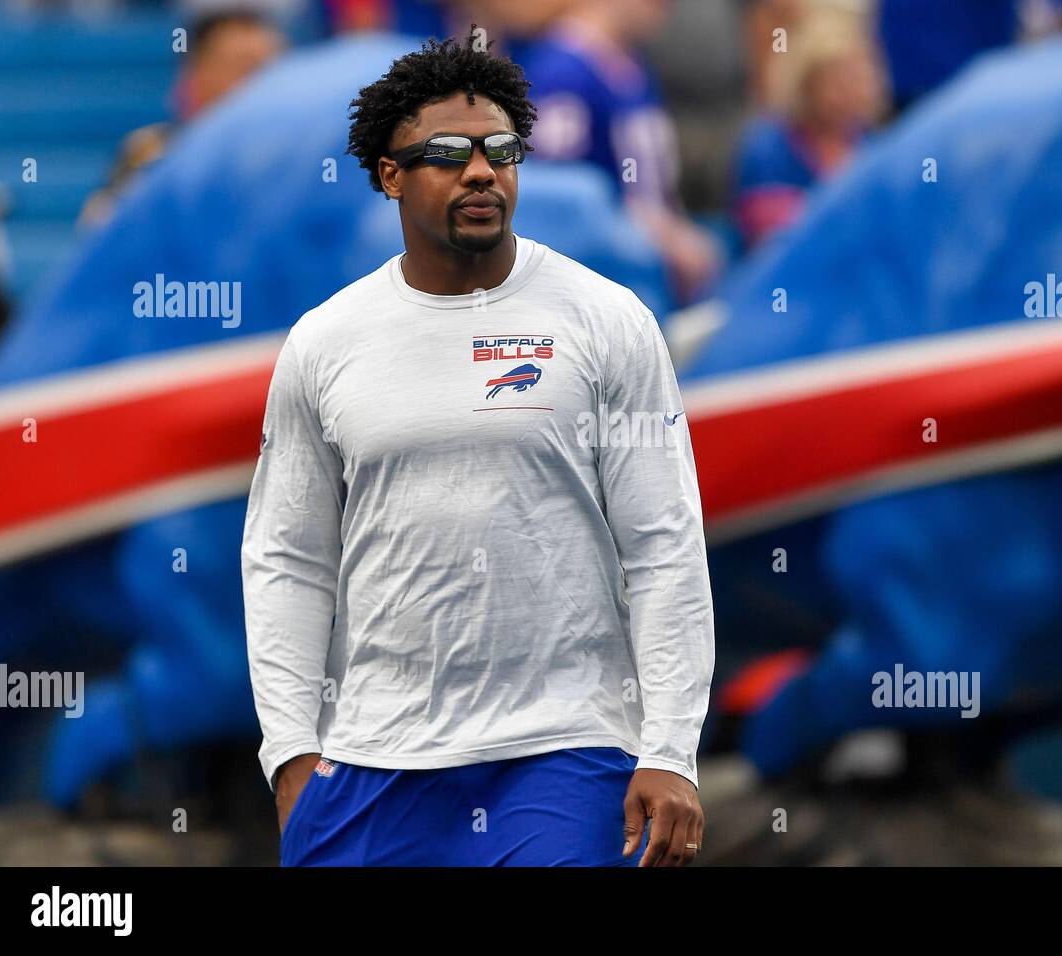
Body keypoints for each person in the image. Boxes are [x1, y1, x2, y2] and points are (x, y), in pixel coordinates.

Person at [241, 30, 715, 867]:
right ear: (390, 173)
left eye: (501, 150)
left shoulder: (609, 322)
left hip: (565, 750)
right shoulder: (325, 342)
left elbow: (665, 546)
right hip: (374, 758)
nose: (481, 172)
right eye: (447, 154)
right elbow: (287, 558)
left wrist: (669, 750)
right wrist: (289, 753)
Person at [515, 0, 721, 305]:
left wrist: (676, 231)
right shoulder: (562, 71)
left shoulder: (632, 63)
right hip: (605, 271)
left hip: (652, 258)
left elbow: (653, 181)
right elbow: (565, 203)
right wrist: (667, 239)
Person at [78, 8, 286, 228]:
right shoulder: (148, 153)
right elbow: (100, 231)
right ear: (196, 75)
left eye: (275, 68)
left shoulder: (298, 163)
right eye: (246, 67)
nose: (265, 82)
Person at [731, 7, 885, 249]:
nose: (851, 91)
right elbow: (771, 241)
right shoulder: (769, 148)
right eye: (837, 80)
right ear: (805, 84)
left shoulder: (869, 144)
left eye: (858, 76)